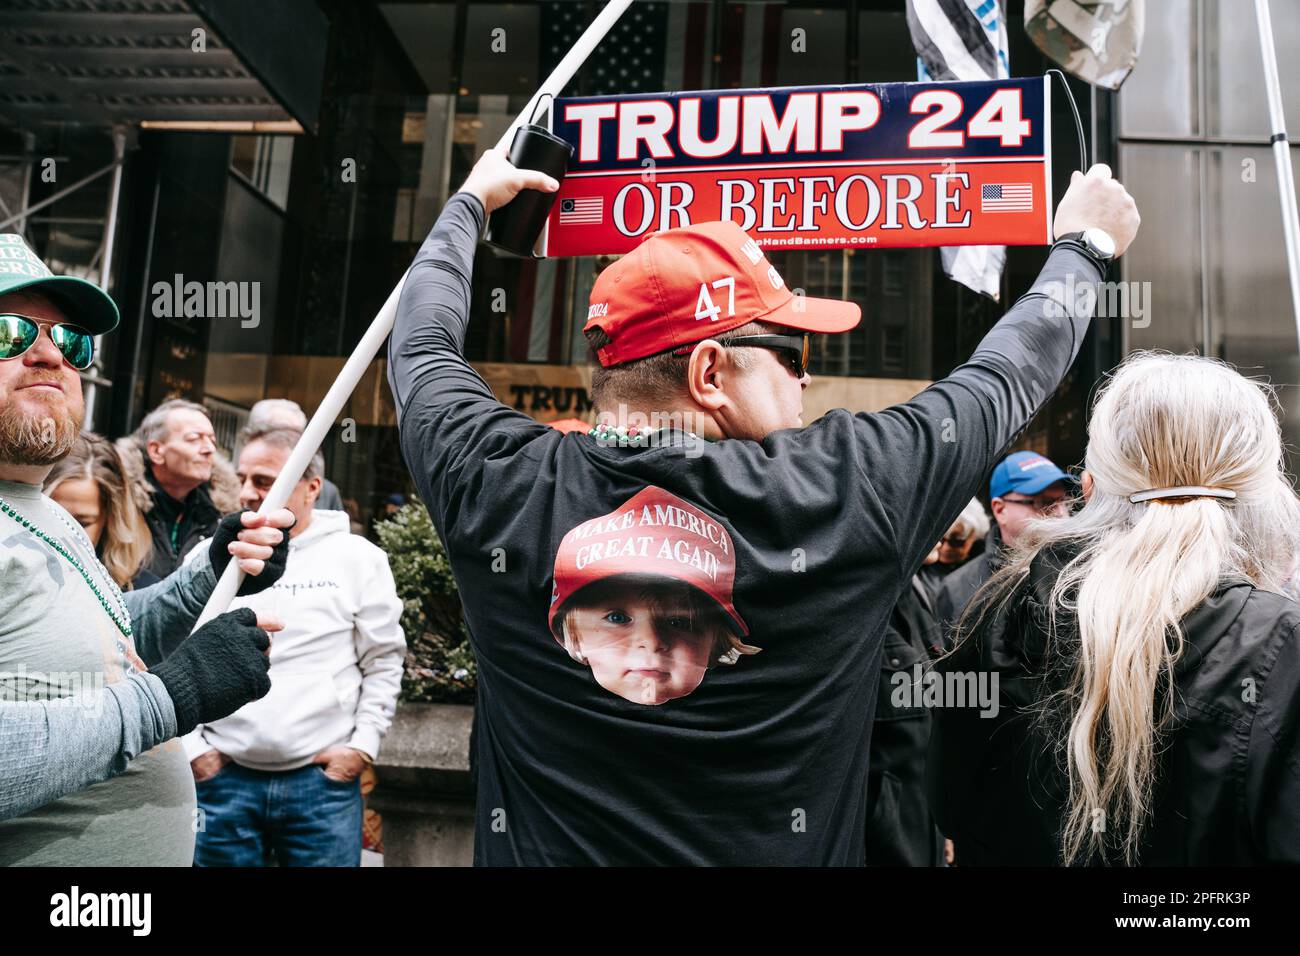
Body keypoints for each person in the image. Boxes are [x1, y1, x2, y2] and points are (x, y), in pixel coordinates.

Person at [386, 148, 1139, 865]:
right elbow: (1006, 373)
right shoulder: (851, 488)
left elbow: (420, 344)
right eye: (794, 353)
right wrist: (1085, 243)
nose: (806, 381)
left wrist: (469, 205)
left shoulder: (493, 479)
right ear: (711, 372)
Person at [928, 353, 1300, 865]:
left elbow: (952, 807)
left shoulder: (996, 615)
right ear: (1260, 485)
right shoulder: (1281, 648)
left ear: (1090, 486)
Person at [0, 233, 295, 863]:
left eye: (69, 340)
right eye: (10, 333)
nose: (49, 356)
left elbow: (101, 643)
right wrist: (171, 695)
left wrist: (210, 572)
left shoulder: (42, 510)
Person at [182, 426, 406, 867]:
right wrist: (194, 751)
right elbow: (174, 654)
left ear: (311, 488)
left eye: (264, 481)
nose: (247, 492)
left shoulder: (358, 559)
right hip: (221, 779)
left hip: (321, 784)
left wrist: (361, 748)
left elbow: (383, 660)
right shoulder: (209, 558)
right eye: (243, 478)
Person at [934, 451, 1071, 645]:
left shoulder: (1082, 572)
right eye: (1045, 503)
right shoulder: (958, 589)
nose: (1060, 513)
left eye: (1064, 501)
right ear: (1000, 510)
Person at [44, 432, 159, 589]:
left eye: (81, 523)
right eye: (51, 517)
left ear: (111, 518)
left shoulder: (141, 594)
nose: (63, 537)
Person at [131, 398, 223, 578]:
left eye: (212, 440)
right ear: (156, 451)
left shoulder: (220, 514)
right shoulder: (117, 503)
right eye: (194, 439)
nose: (209, 449)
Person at [244, 398, 346, 511]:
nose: (289, 440)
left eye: (296, 434)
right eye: (277, 433)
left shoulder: (327, 492)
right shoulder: (230, 488)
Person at [917, 498, 988, 604]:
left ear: (975, 537)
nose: (945, 547)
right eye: (940, 538)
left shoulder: (984, 567)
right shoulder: (919, 568)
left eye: (957, 542)